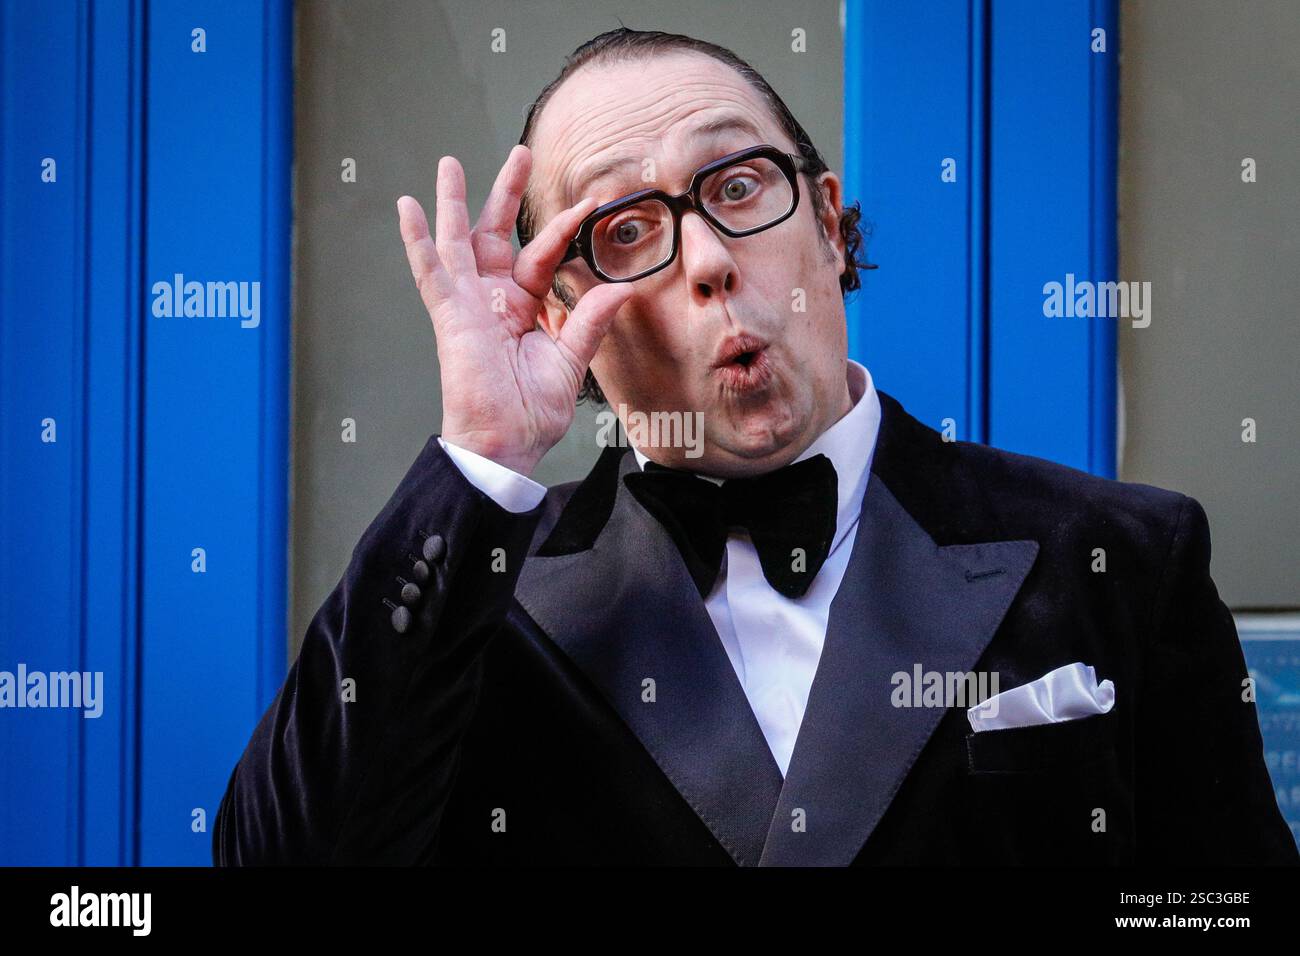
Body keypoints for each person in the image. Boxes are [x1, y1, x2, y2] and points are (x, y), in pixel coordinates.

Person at [212, 28, 1297, 866]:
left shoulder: (1123, 552)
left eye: (736, 189)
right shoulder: (484, 607)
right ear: (560, 316)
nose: (707, 261)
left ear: (827, 224)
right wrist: (481, 453)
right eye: (625, 228)